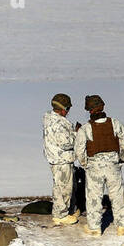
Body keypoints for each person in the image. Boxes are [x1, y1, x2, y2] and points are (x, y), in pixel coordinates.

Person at [74, 95, 124, 236]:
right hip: (113, 165)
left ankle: (94, 228)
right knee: (118, 195)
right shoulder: (116, 123)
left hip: (94, 166)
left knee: (94, 197)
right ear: (102, 107)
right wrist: (120, 161)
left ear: (89, 111)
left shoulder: (85, 128)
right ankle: (122, 227)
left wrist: (86, 164)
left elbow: (79, 151)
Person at [44, 93, 80, 226]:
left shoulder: (54, 120)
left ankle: (68, 210)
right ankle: (60, 215)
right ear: (63, 108)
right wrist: (77, 134)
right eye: (68, 109)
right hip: (61, 160)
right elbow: (66, 143)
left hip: (61, 158)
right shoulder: (57, 123)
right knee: (63, 188)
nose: (68, 112)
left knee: (67, 186)